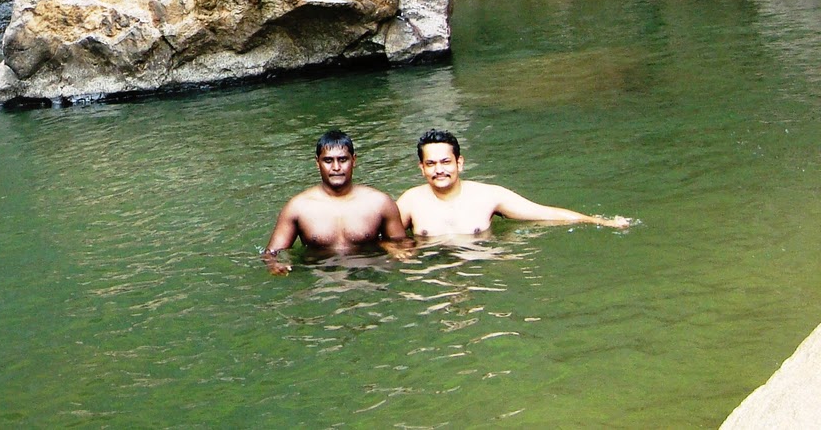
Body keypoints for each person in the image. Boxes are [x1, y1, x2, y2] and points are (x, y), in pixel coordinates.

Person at [397, 129, 632, 237]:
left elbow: (544, 213)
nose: (439, 170)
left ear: (459, 163)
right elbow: (380, 239)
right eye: (431, 164)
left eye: (446, 162)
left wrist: (599, 221)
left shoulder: (488, 196)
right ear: (422, 168)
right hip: (430, 274)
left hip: (480, 269)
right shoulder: (410, 201)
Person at [262, 130, 412, 274]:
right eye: (328, 160)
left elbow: (402, 244)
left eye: (342, 159)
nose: (336, 167)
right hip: (320, 280)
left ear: (354, 160)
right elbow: (271, 253)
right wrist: (275, 265)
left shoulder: (379, 202)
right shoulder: (298, 207)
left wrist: (398, 251)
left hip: (368, 276)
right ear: (317, 162)